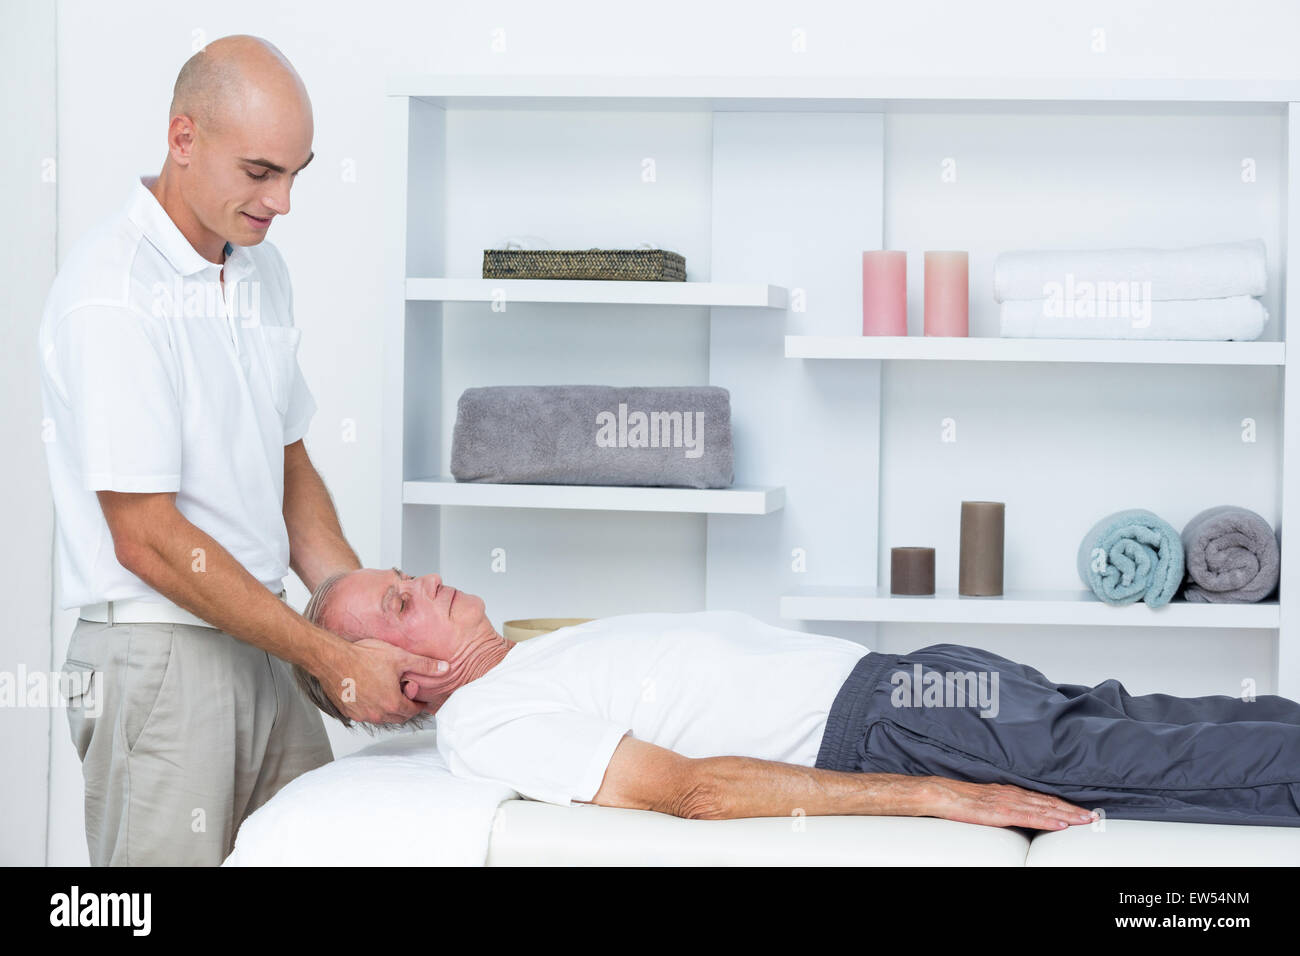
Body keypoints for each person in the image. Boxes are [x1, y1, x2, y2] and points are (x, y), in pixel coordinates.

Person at [37, 36, 448, 866]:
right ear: (181, 140)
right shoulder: (113, 293)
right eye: (261, 173)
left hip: (262, 641)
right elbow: (145, 535)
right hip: (159, 657)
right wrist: (329, 656)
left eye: (298, 173)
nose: (284, 201)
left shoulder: (260, 272)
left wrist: (355, 619)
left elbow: (289, 468)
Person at [295, 567, 1300, 831]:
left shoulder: (527, 652)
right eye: (399, 599)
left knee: (1155, 721)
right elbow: (689, 790)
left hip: (901, 676)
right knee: (1154, 759)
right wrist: (931, 795)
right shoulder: (484, 720)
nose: (423, 581)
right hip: (891, 725)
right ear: (403, 675)